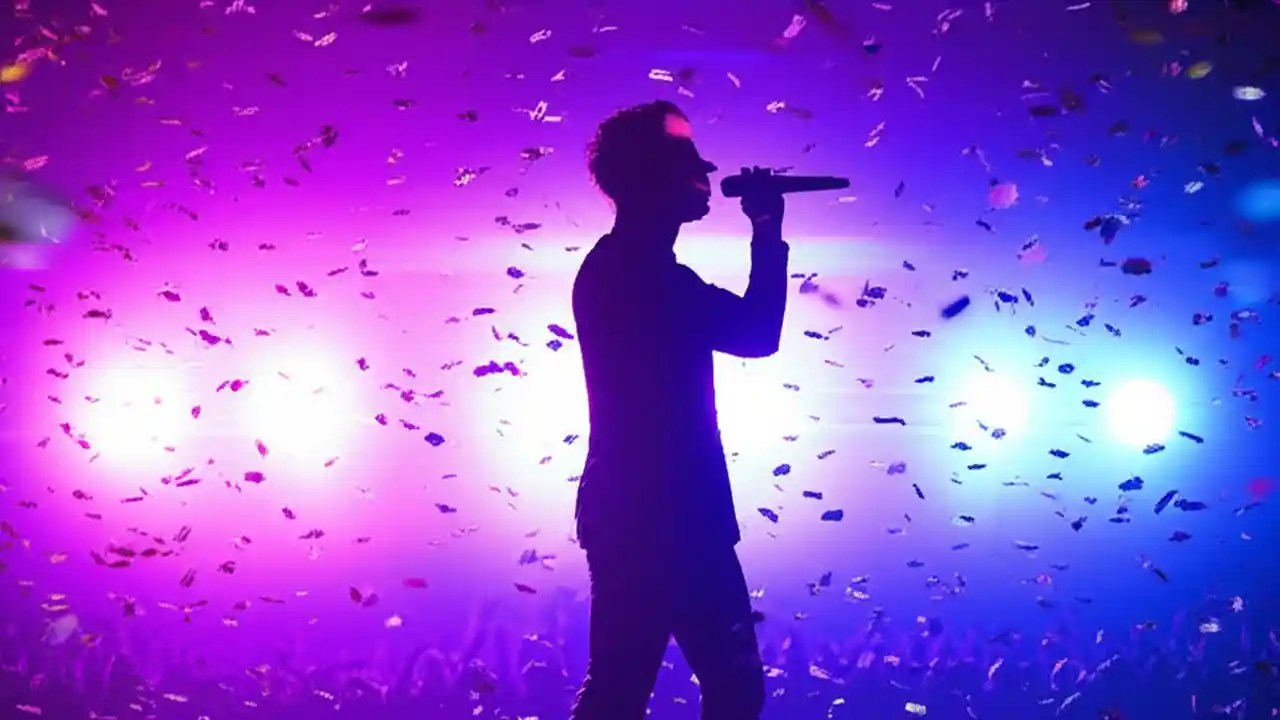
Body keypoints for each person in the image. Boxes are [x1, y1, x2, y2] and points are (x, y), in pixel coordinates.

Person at [569, 100, 789, 720]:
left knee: (618, 690)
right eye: (684, 157)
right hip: (672, 520)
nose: (705, 168)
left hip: (636, 516)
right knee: (723, 687)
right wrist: (767, 232)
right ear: (649, 175)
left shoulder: (620, 270)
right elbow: (756, 333)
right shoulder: (646, 278)